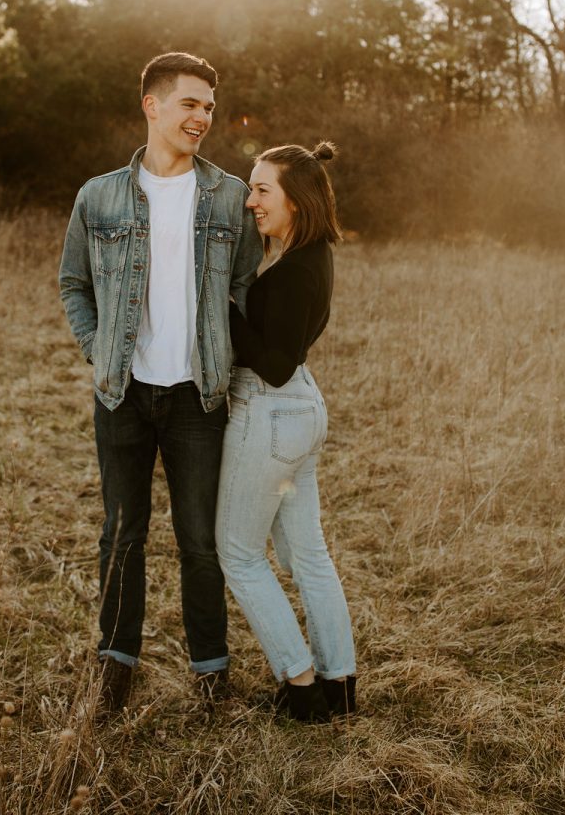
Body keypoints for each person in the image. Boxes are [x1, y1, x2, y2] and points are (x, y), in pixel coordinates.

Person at [59, 52, 262, 720]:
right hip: (122, 393)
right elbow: (75, 284)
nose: (203, 116)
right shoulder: (99, 197)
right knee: (122, 534)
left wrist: (224, 353)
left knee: (199, 540)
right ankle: (115, 668)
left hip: (198, 397)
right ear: (153, 105)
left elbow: (243, 288)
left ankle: (211, 676)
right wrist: (97, 353)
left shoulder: (229, 196)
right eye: (190, 103)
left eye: (209, 105)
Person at [216, 141, 357, 722]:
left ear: (295, 200)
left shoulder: (297, 270)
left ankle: (301, 687)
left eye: (261, 189)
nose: (251, 201)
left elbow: (273, 363)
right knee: (307, 556)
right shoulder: (311, 254)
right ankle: (340, 684)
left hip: (272, 411)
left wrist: (220, 305)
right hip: (300, 412)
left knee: (239, 553)